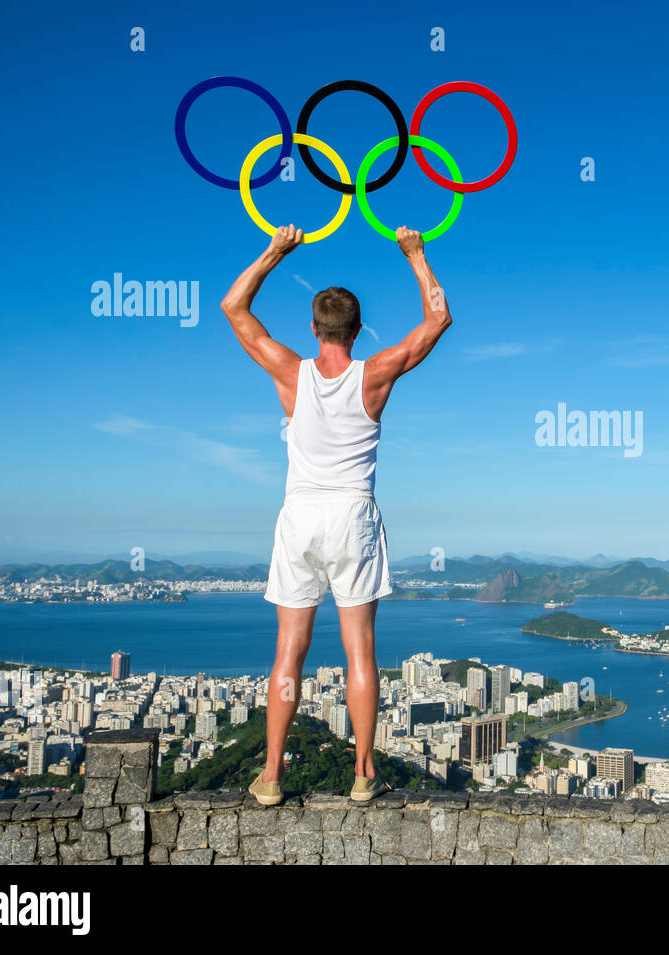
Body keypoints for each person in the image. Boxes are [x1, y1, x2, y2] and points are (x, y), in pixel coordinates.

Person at [219, 223, 452, 805]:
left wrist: (276, 250)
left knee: (289, 652)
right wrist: (416, 255)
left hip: (299, 517)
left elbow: (233, 306)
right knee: (360, 652)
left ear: (314, 329)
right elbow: (438, 319)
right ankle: (364, 773)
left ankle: (270, 777)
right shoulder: (374, 375)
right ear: (356, 328)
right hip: (353, 517)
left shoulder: (290, 373)